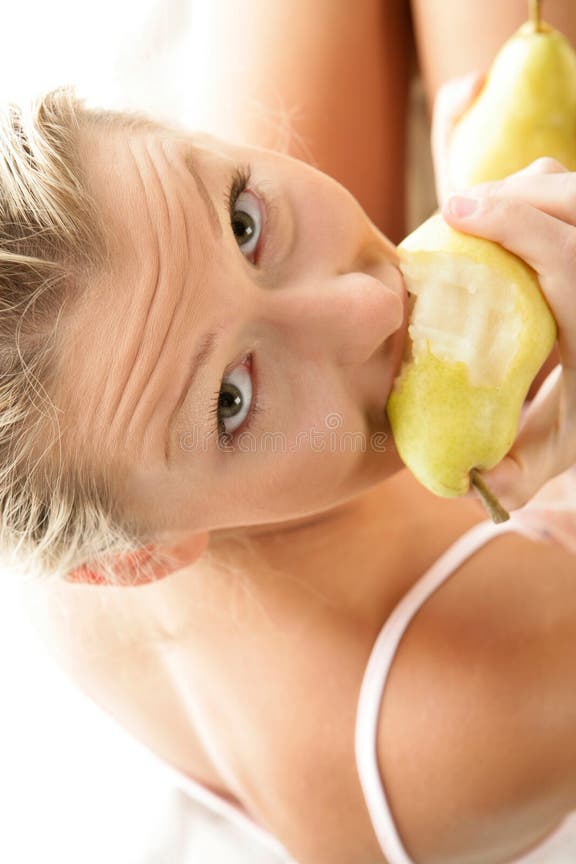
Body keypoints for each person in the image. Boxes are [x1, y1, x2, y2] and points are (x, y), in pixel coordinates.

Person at [5, 1, 576, 862]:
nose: (373, 301)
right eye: (231, 401)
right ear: (138, 560)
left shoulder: (104, 392)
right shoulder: (465, 712)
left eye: (242, 222)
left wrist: (492, 166)